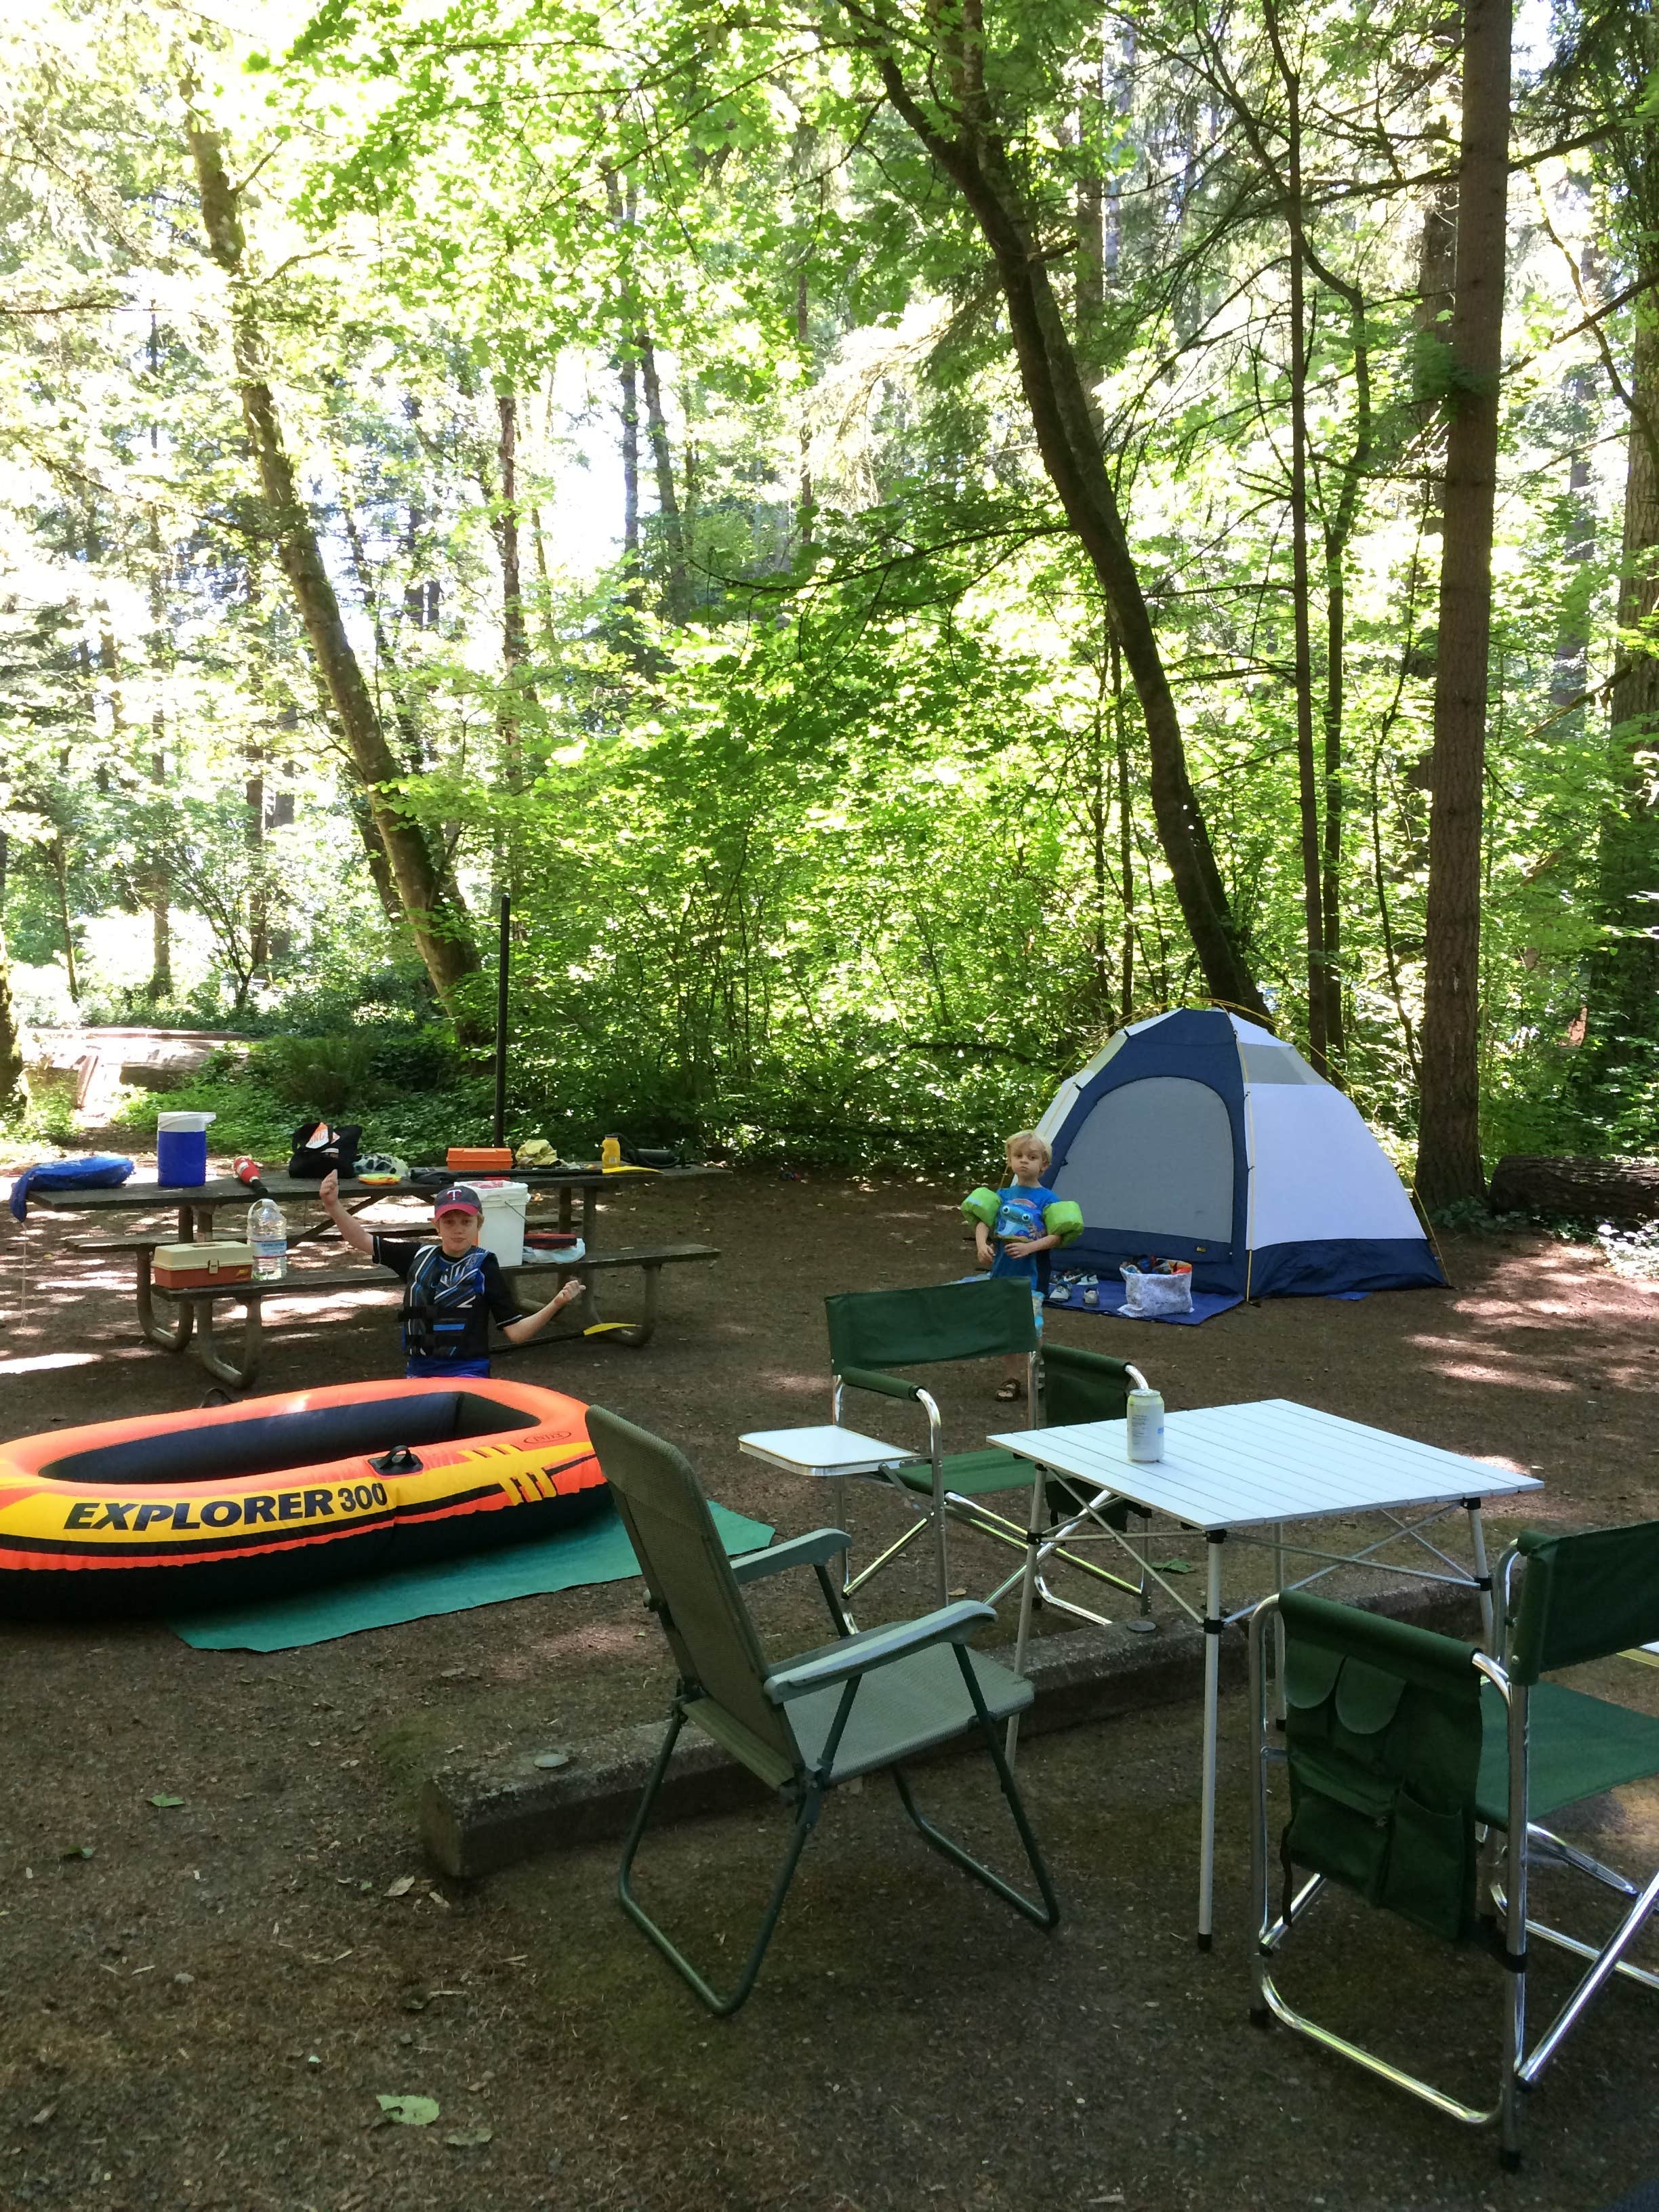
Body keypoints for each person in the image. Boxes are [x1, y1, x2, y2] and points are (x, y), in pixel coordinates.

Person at [318, 1173, 585, 1378]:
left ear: (478, 1224)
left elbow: (516, 1333)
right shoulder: (415, 1257)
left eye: (466, 1222)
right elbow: (362, 1240)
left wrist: (557, 1303)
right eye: (449, 1222)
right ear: (437, 1226)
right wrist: (333, 1205)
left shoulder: (485, 1267)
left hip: (469, 1371)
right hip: (420, 1370)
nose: (458, 1230)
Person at [962, 1132, 1081, 1401]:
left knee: (1031, 1326)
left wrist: (1029, 1247)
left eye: (1032, 1157)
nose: (1024, 1162)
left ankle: (1037, 1372)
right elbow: (983, 1221)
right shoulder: (1002, 1195)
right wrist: (981, 1245)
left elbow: (1057, 1235)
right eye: (1018, 1156)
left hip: (1032, 1274)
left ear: (1044, 1165)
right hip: (1003, 1271)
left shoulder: (1048, 1199)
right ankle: (1011, 1377)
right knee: (1007, 1326)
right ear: (1009, 1161)